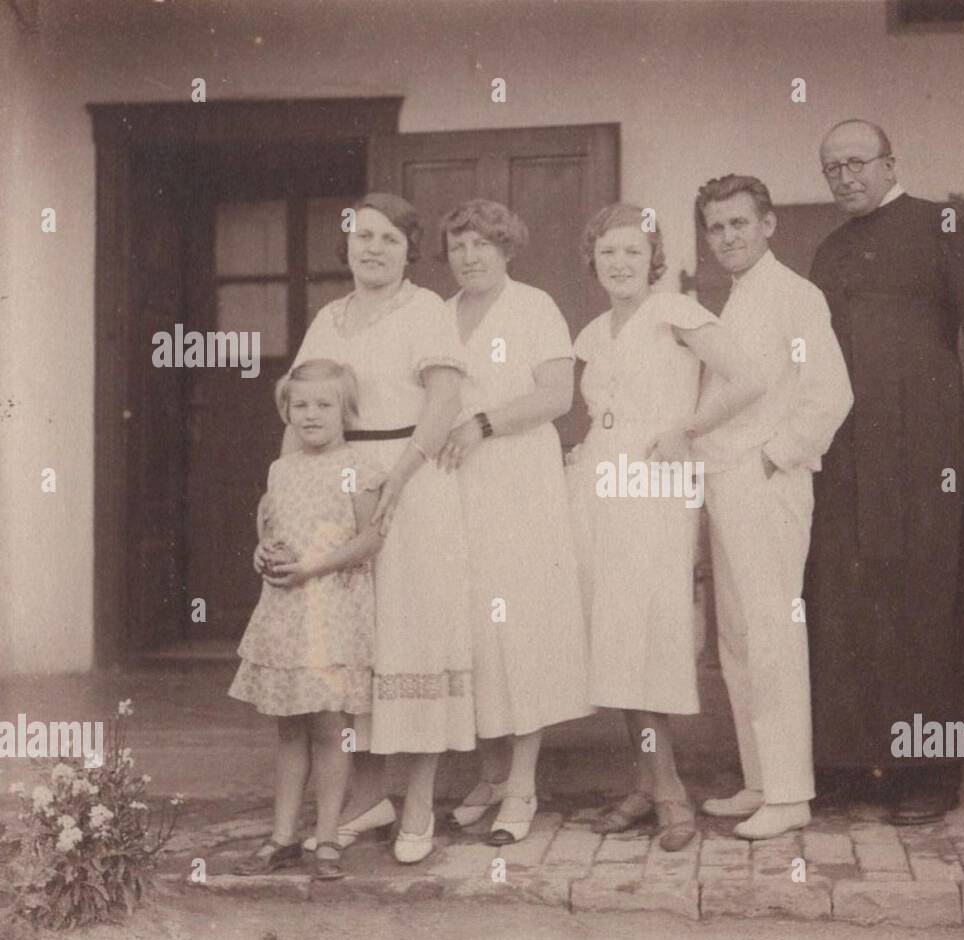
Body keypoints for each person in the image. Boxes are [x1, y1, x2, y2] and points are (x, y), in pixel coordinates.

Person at [807, 119, 964, 825]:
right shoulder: (829, 251)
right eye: (832, 167)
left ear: (890, 161)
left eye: (857, 162)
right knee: (851, 605)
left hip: (931, 458)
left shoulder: (943, 225)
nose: (845, 177)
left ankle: (931, 770)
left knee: (929, 603)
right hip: (847, 456)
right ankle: (865, 763)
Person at [260, 191, 474, 865]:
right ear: (346, 246)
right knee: (359, 644)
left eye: (388, 238)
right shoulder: (330, 316)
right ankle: (370, 796)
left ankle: (419, 805)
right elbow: (302, 407)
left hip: (412, 478)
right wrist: (281, 504)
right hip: (338, 484)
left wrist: (401, 478)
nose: (373, 248)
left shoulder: (427, 310)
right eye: (362, 237)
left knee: (415, 638)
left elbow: (444, 400)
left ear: (410, 248)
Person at [569, 203, 761, 851]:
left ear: (652, 259)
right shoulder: (594, 333)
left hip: (655, 484)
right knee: (615, 631)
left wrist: (687, 429)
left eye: (631, 252)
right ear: (592, 262)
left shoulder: (676, 311)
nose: (619, 264)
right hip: (599, 484)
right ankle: (647, 784)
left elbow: (747, 377)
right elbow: (605, 414)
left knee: (650, 631)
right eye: (607, 253)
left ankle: (670, 786)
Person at [693, 174, 853, 840]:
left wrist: (774, 458)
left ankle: (790, 793)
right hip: (724, 480)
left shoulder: (795, 296)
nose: (727, 237)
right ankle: (759, 779)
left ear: (768, 224)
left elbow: (831, 395)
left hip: (766, 482)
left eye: (739, 223)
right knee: (735, 637)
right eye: (716, 227)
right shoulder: (731, 302)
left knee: (771, 630)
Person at [435, 199, 591, 845]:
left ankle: (523, 784)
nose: (469, 256)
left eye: (482, 244)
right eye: (458, 245)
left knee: (519, 631)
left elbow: (558, 396)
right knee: (470, 631)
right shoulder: (438, 316)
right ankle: (490, 776)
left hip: (519, 484)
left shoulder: (534, 307)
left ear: (506, 248)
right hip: (455, 487)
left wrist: (484, 422)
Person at [230, 359, 385, 880]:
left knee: (330, 729)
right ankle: (281, 837)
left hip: (332, 610)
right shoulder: (282, 468)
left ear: (346, 410)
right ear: (286, 410)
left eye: (325, 405)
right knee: (289, 731)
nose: (312, 414)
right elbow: (271, 524)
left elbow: (370, 539)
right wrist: (261, 551)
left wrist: (311, 568)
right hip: (286, 612)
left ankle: (327, 839)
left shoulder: (358, 467)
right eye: (301, 405)